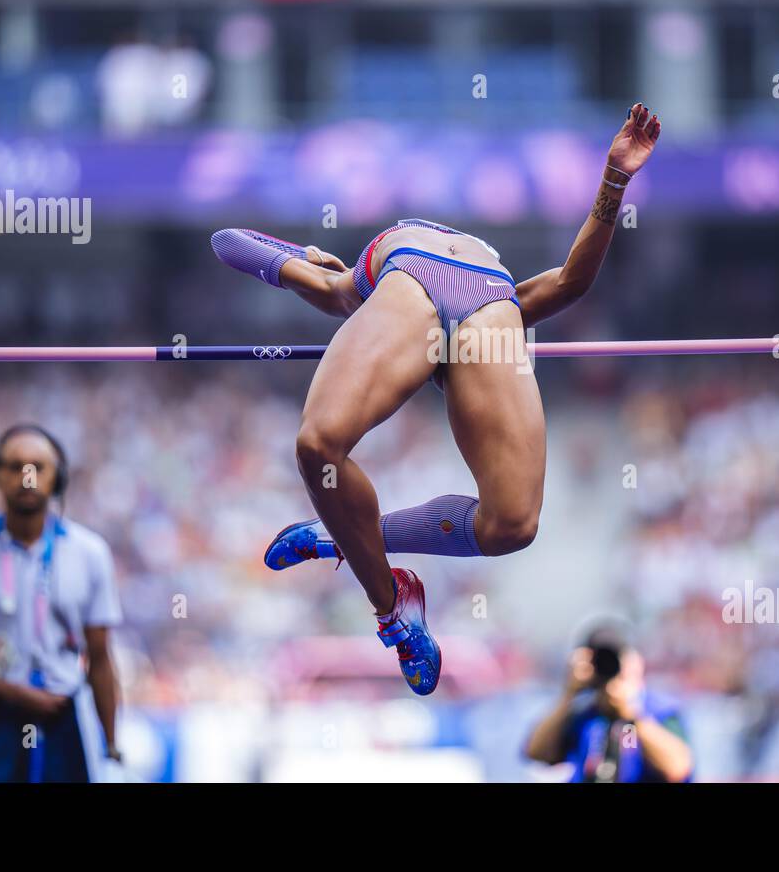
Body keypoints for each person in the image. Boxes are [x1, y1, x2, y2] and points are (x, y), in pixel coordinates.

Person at [211, 103, 662, 695]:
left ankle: (347, 550)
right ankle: (391, 610)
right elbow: (573, 283)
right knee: (321, 447)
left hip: (432, 277)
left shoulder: (348, 288)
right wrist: (613, 179)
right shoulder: (351, 287)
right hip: (470, 286)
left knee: (510, 524)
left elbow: (225, 239)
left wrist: (302, 262)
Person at [0, 424, 123, 782]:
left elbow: (100, 658)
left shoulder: (89, 553)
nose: (27, 477)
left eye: (38, 467)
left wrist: (110, 746)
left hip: (62, 721)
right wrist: (16, 694)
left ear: (58, 477)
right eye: (15, 467)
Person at [524, 623, 693, 783]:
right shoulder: (582, 713)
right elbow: (537, 752)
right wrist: (569, 693)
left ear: (635, 661)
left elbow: (679, 768)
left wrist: (632, 716)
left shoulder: (658, 710)